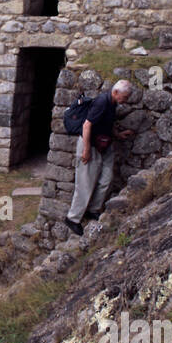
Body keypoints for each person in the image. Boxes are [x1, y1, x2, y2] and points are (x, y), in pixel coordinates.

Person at [65, 79, 136, 236]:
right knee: (85, 182)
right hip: (90, 143)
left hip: (104, 143)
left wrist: (118, 134)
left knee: (106, 178)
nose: (126, 100)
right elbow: (87, 125)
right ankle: (73, 218)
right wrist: (86, 149)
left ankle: (93, 210)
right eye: (125, 97)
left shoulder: (113, 103)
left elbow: (106, 124)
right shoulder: (102, 102)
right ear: (116, 92)